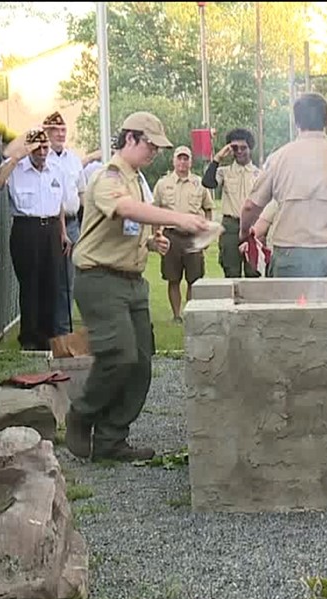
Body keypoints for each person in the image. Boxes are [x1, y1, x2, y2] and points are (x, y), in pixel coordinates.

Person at [64, 112, 212, 463]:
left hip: (132, 282)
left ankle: (112, 439)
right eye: (150, 145)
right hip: (100, 279)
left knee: (141, 363)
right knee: (119, 354)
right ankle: (81, 414)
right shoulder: (108, 176)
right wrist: (179, 218)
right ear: (129, 139)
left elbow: (131, 225)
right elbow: (125, 209)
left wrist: (151, 243)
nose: (154, 153)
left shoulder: (136, 178)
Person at [241, 93, 327, 277]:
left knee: (289, 306)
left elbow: (250, 206)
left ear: (297, 122)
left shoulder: (278, 158)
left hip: (290, 252)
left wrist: (244, 232)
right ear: (326, 121)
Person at [0, 128, 78, 351]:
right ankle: (29, 338)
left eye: (45, 147)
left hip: (51, 229)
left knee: (52, 284)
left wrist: (62, 233)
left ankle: (48, 338)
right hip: (26, 229)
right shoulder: (17, 167)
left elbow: (58, 204)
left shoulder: (55, 169)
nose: (42, 152)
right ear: (29, 148)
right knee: (30, 285)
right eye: (37, 148)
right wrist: (18, 156)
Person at [152, 146, 213, 322]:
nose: (182, 162)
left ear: (191, 161)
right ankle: (176, 315)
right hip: (171, 236)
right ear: (174, 160)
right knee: (173, 278)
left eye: (186, 159)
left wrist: (205, 233)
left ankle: (190, 313)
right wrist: (156, 235)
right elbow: (154, 211)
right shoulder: (163, 184)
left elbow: (208, 209)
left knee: (194, 279)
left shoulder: (199, 184)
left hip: (192, 238)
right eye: (179, 158)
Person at [43, 111, 86, 336]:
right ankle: (51, 329)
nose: (60, 134)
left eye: (63, 130)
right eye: (55, 130)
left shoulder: (73, 159)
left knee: (69, 280)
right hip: (50, 223)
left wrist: (85, 225)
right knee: (51, 279)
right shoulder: (42, 156)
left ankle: (64, 330)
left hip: (72, 222)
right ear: (46, 132)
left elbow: (82, 192)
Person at [202, 128, 261, 278]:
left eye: (243, 147)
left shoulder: (259, 174)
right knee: (231, 273)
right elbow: (208, 182)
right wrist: (217, 158)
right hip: (230, 226)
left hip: (252, 226)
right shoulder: (224, 172)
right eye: (235, 148)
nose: (239, 151)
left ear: (250, 148)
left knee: (253, 272)